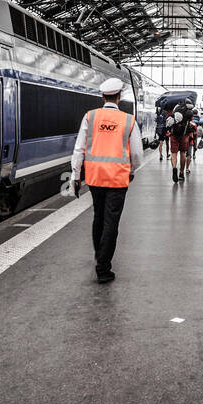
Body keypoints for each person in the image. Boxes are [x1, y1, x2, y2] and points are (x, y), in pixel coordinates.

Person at [71, 77, 144, 283]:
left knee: (99, 217)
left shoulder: (90, 117)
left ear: (103, 96)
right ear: (119, 97)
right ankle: (103, 267)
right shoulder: (128, 120)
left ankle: (99, 254)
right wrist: (131, 170)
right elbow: (137, 154)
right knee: (111, 222)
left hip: (95, 178)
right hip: (118, 180)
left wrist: (76, 177)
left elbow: (79, 149)